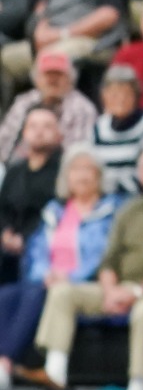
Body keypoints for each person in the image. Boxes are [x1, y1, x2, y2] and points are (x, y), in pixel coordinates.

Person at [17, 140, 143, 390]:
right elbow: (109, 259)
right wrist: (111, 290)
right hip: (123, 287)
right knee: (64, 293)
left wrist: (135, 292)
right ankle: (55, 371)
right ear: (139, 173)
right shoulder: (129, 211)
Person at [0, 148, 117, 390]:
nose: (82, 175)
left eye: (88, 169)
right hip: (47, 277)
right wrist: (45, 273)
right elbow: (36, 249)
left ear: (99, 176)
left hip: (83, 281)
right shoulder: (54, 210)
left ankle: (5, 364)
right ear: (66, 177)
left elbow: (105, 253)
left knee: (34, 295)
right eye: (75, 169)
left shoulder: (111, 212)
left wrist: (69, 276)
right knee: (7, 295)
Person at [0, 109, 64, 284]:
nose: (39, 132)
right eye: (33, 126)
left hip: (44, 243)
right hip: (7, 243)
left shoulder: (63, 171)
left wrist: (26, 237)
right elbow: (2, 207)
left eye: (47, 126)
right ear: (24, 133)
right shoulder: (14, 170)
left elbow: (59, 211)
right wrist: (5, 232)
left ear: (59, 134)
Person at [0, 51, 97, 162]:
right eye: (48, 74)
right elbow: (4, 142)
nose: (52, 80)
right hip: (17, 166)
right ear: (37, 79)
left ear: (70, 79)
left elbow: (78, 154)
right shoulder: (23, 102)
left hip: (60, 167)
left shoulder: (83, 108)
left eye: (58, 74)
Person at [91, 67, 143, 195]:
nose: (121, 99)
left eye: (126, 93)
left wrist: (116, 186)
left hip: (138, 195)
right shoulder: (100, 125)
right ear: (104, 97)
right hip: (103, 196)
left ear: (136, 96)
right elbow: (92, 165)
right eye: (114, 94)